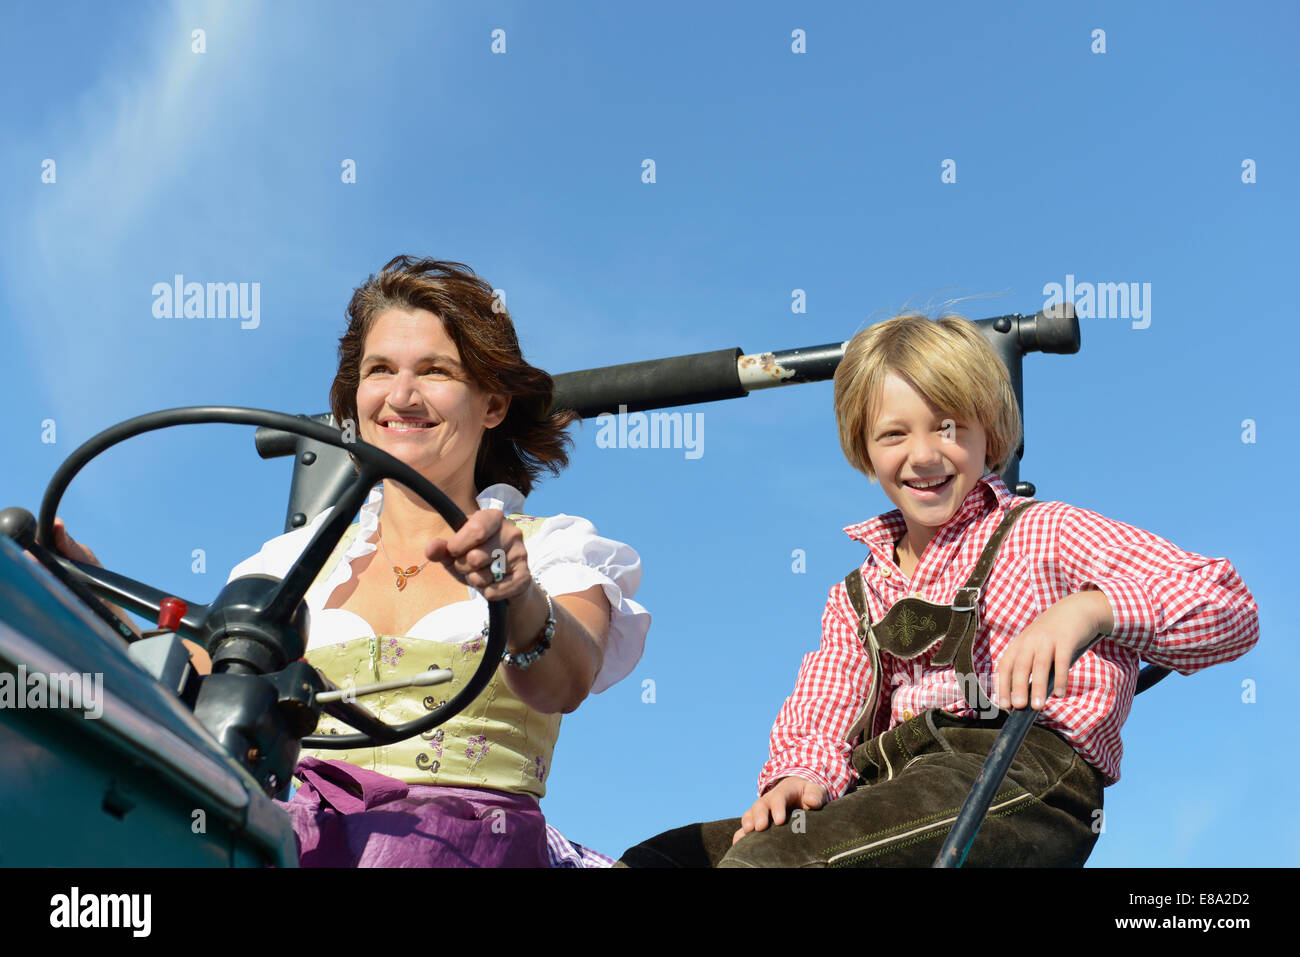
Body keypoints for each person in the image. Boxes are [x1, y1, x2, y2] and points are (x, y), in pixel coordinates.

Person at [58, 256, 650, 868]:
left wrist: (515, 594)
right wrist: (89, 599)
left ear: (493, 403)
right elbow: (195, 687)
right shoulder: (289, 562)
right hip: (298, 841)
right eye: (380, 370)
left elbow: (567, 679)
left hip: (474, 848)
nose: (401, 395)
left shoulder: (555, 548)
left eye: (436, 370)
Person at [617, 312, 1258, 868]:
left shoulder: (1045, 534)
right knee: (663, 860)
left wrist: (1091, 609)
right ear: (864, 451)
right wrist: (802, 774)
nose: (923, 455)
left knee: (779, 860)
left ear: (991, 437)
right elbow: (828, 701)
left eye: (948, 427)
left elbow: (1228, 604)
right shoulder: (861, 592)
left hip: (1020, 773)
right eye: (894, 434)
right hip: (889, 783)